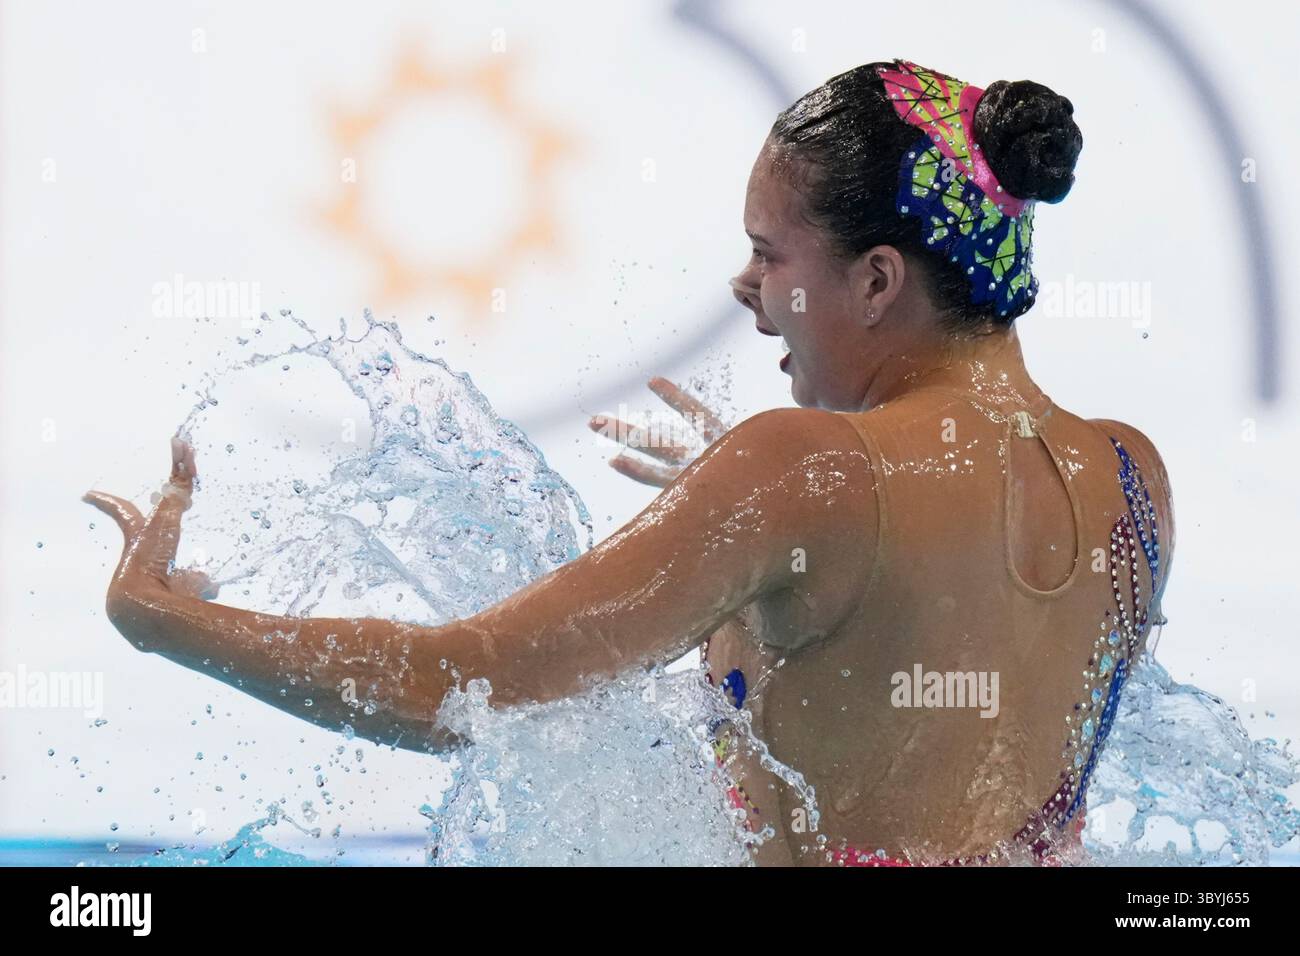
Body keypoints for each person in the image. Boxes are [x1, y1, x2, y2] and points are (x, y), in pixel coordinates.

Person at [86, 59, 1174, 867]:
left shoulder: (799, 472)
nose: (746, 289)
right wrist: (754, 554)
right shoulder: (1133, 480)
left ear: (878, 280)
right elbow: (931, 717)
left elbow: (460, 686)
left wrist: (166, 620)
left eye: (767, 252)